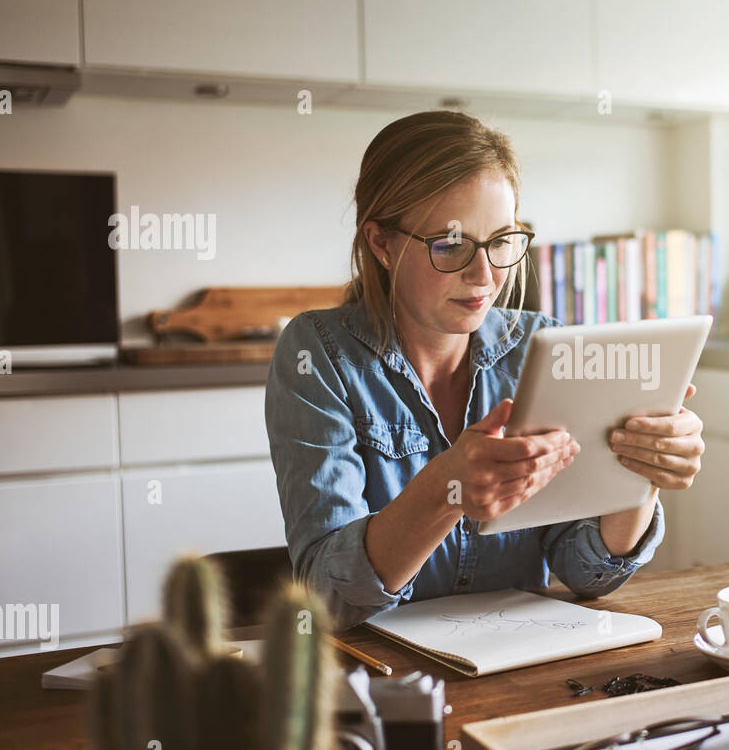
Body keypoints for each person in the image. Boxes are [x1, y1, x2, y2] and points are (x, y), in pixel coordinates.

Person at [264, 111, 706, 630]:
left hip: (520, 667)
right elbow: (326, 596)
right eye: (450, 244)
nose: (485, 275)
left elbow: (587, 572)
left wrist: (639, 474)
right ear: (382, 243)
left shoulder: (544, 344)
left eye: (501, 241)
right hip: (384, 680)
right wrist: (444, 489)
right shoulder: (319, 354)